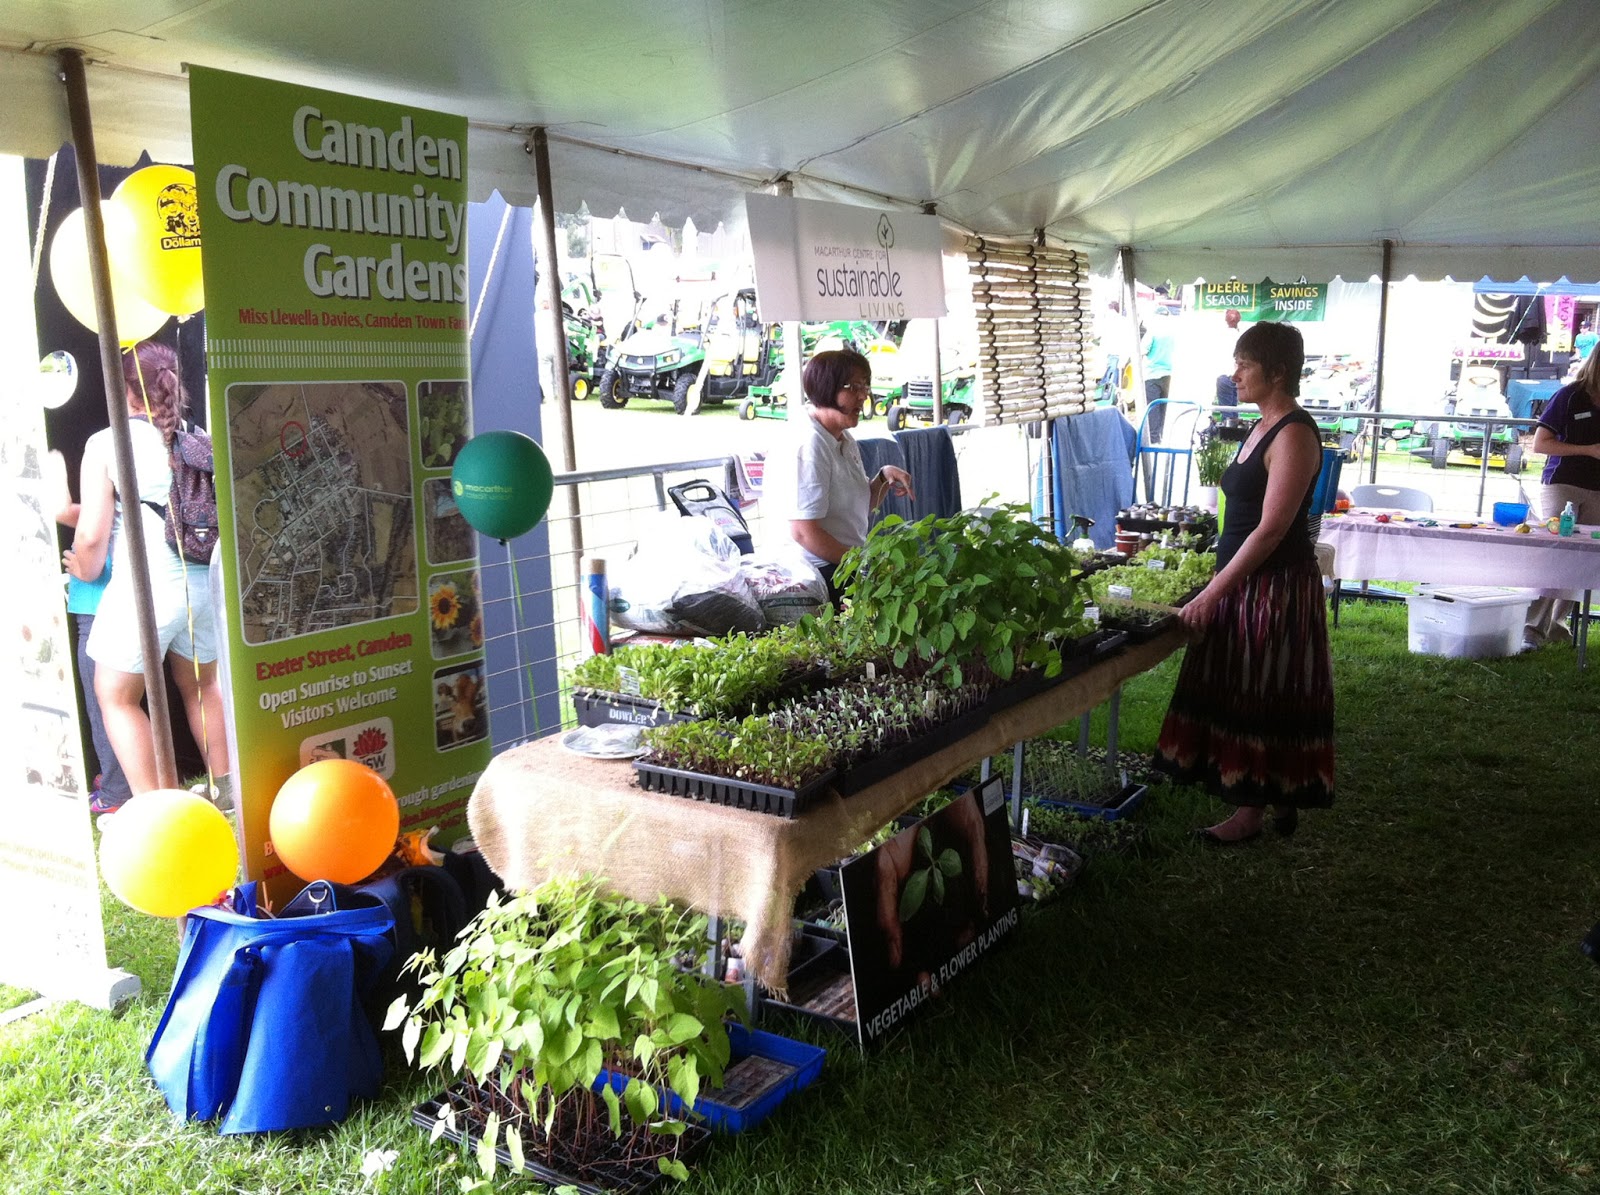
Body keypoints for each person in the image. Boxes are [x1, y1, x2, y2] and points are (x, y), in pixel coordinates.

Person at [1154, 321, 1335, 842]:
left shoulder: (1294, 433)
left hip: (1274, 587)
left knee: (1259, 692)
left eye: (1245, 364)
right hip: (1247, 581)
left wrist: (1213, 592)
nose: (1234, 375)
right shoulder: (1261, 424)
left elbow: (1273, 529)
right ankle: (1278, 796)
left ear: (1277, 372)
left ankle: (1249, 813)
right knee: (1254, 686)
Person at [64, 341, 229, 799]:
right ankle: (229, 792)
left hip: (147, 589)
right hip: (201, 585)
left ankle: (161, 810)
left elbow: (93, 538)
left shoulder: (107, 442)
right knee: (202, 687)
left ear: (123, 389)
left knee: (116, 696)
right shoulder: (191, 435)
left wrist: (82, 565)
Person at [776, 348, 914, 600]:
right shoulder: (809, 444)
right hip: (815, 575)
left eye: (865, 386)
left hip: (843, 562)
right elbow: (804, 532)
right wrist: (864, 566)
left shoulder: (842, 438)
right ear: (826, 388)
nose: (863, 396)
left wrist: (883, 477)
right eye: (853, 387)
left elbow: (860, 505)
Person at [47, 450, 131, 814]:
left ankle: (116, 794)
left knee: (105, 706)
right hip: (108, 609)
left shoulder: (106, 516)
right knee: (117, 705)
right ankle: (118, 778)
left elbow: (60, 507)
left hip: (97, 612)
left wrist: (50, 459)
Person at [1523, 348, 1600, 649]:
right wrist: (1589, 450)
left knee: (1583, 558)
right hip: (1563, 484)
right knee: (1555, 552)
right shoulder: (1570, 396)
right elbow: (1541, 445)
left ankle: (1558, 624)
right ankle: (1532, 628)